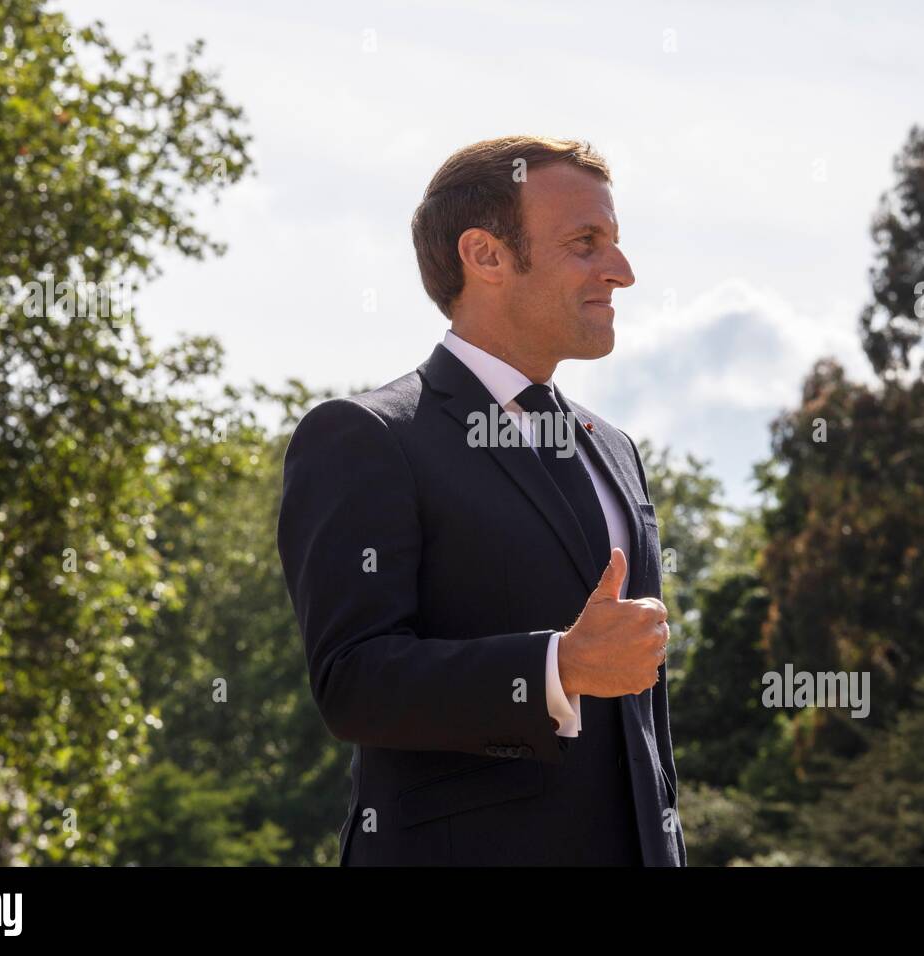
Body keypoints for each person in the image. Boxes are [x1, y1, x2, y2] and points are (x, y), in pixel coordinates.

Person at [277, 136, 684, 866]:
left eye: (615, 243)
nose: (620, 272)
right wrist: (558, 667)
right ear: (486, 256)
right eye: (586, 243)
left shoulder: (615, 448)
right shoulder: (366, 438)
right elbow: (353, 683)